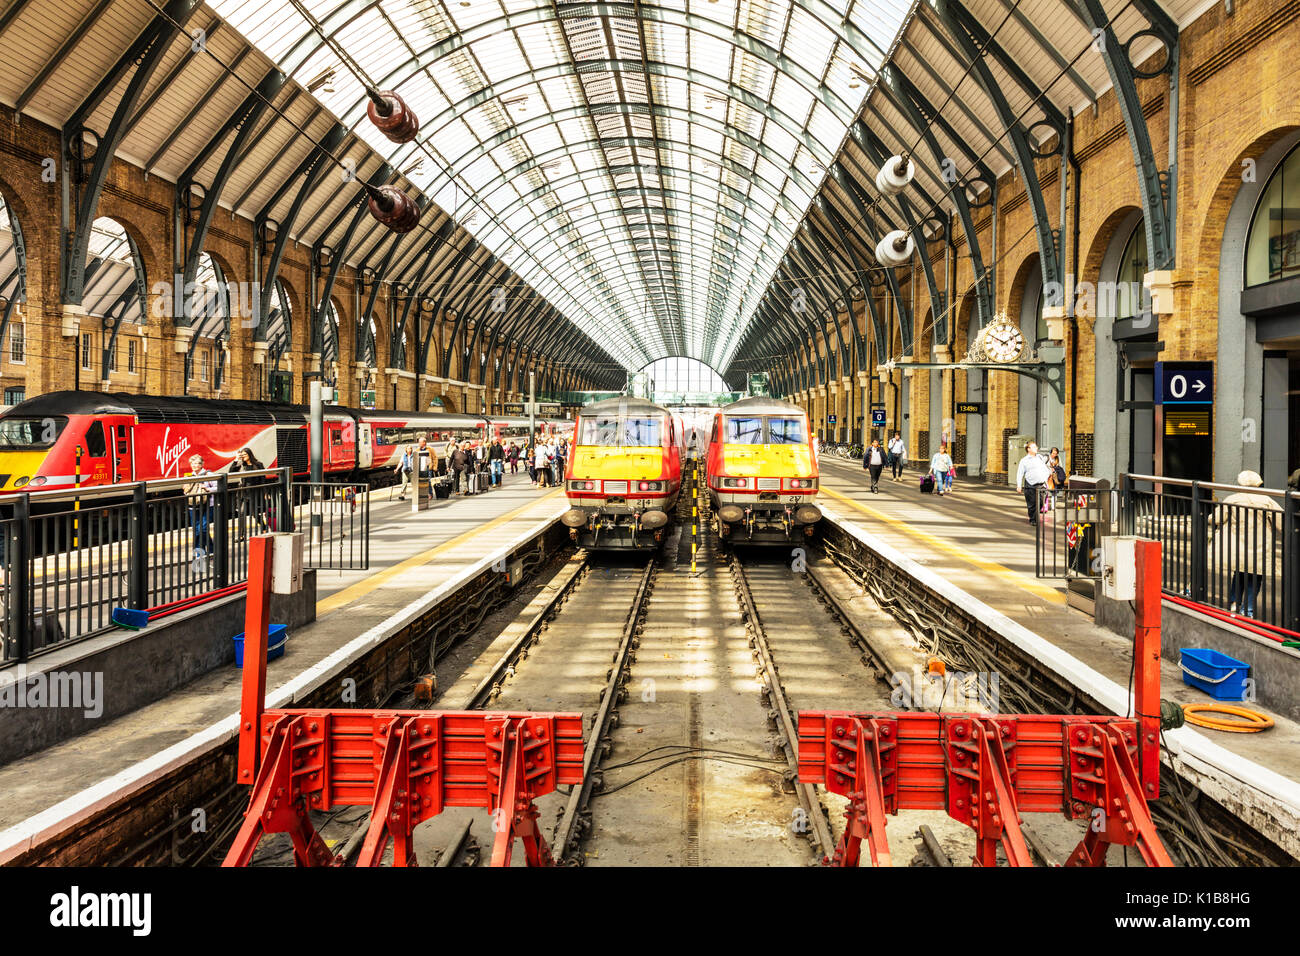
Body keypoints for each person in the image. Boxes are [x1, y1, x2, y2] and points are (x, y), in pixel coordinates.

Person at [1210, 471, 1283, 619]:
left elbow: (1216, 519)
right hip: (1260, 546)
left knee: (1239, 572)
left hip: (1238, 546)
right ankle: (1247, 609)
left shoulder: (1233, 499)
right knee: (1255, 577)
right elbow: (1281, 522)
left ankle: (1234, 603)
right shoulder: (1267, 500)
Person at [184, 453, 218, 573]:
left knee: (202, 528)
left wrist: (207, 489)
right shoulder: (189, 476)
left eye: (197, 463)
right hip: (193, 506)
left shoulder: (209, 475)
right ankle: (212, 550)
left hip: (207, 505)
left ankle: (199, 555)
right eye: (192, 463)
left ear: (202, 464)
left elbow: (218, 487)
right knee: (197, 530)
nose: (194, 465)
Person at [229, 447, 269, 531]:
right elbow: (231, 471)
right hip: (243, 492)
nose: (243, 456)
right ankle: (241, 535)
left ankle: (264, 527)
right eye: (242, 455)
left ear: (249, 454)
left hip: (254, 492)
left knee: (254, 513)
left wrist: (265, 492)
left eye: (245, 454)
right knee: (241, 513)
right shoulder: (241, 465)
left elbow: (263, 479)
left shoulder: (258, 464)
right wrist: (236, 459)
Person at [1015, 441, 1050, 525]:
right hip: (1030, 484)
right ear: (1028, 449)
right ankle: (1033, 519)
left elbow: (1045, 468)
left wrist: (1046, 478)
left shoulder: (1040, 457)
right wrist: (1019, 485)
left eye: (1036, 447)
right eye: (1034, 447)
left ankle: (1035, 516)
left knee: (1042, 501)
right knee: (1032, 504)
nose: (1036, 448)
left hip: (1042, 484)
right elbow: (1020, 473)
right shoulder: (1024, 460)